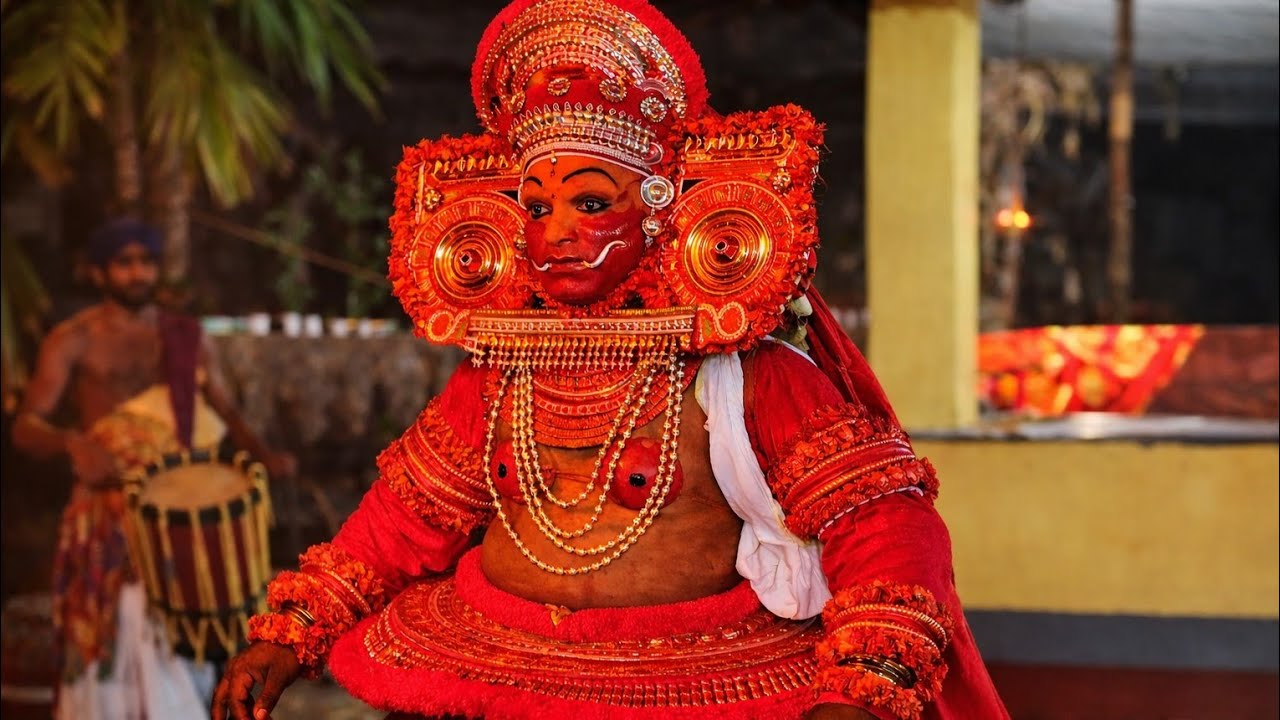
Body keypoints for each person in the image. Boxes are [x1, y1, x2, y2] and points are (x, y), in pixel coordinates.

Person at [215, 1, 1010, 718]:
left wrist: (867, 681)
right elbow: (404, 519)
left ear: (661, 215)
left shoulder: (742, 374)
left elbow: (884, 523)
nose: (555, 230)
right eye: (536, 207)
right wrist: (294, 628)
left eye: (591, 202)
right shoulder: (499, 374)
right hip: (494, 665)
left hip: (685, 681)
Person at [11, 218, 297, 720]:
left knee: (182, 628)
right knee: (111, 631)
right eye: (124, 263)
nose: (138, 272)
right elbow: (25, 426)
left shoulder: (185, 337)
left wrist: (263, 455)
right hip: (106, 511)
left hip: (176, 518)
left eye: (146, 261)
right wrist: (71, 443)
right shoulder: (73, 339)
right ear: (99, 273)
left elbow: (225, 411)